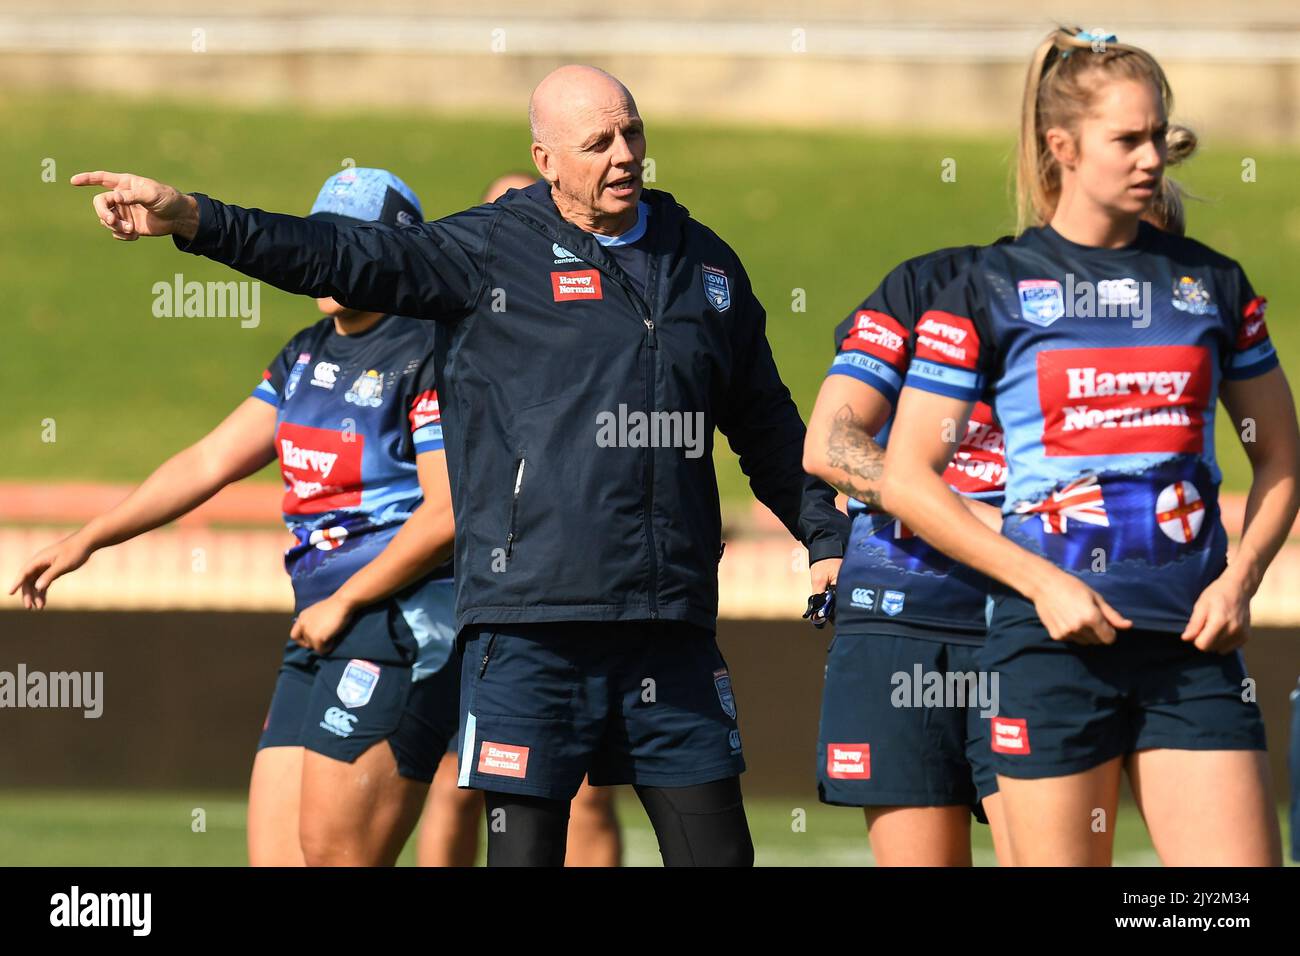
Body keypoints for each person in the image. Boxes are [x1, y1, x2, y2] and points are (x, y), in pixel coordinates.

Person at [72, 64, 849, 867]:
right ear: (546, 160)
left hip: (668, 628)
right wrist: (195, 218)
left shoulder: (705, 267)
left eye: (632, 133)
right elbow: (335, 255)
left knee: (720, 860)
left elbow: (765, 424)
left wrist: (824, 537)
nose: (623, 155)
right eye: (597, 143)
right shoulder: (488, 249)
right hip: (529, 630)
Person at [879, 27, 1300, 865]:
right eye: (1129, 139)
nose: (1152, 158)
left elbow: (1282, 458)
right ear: (1061, 147)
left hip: (1194, 649)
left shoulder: (1212, 283)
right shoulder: (987, 288)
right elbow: (907, 477)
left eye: (1160, 136)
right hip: (1047, 651)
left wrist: (1240, 578)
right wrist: (1041, 583)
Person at [14, 168, 461, 866]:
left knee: (337, 855)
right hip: (317, 627)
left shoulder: (428, 353)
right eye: (321, 236)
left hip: (392, 626)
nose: (326, 252)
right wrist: (90, 540)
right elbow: (205, 464)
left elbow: (446, 518)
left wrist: (347, 600)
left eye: (349, 241)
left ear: (394, 252)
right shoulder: (305, 353)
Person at [800, 131, 1195, 867]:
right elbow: (829, 443)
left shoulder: (1163, 342)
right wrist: (971, 518)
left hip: (1038, 633)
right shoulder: (928, 286)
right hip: (899, 624)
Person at [417, 171, 624, 868]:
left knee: (590, 791)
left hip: (569, 594)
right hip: (477, 606)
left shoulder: (595, 335)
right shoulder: (453, 336)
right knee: (459, 782)